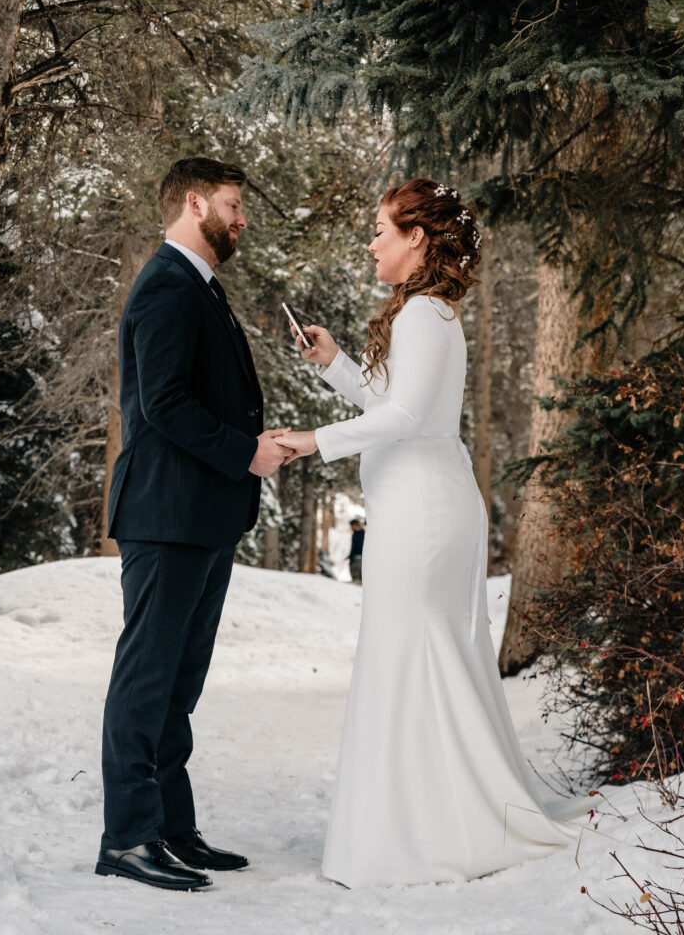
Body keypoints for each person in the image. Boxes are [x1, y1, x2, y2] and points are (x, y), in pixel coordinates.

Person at [274, 178, 592, 889]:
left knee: (412, 655)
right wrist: (334, 364)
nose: (372, 242)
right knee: (420, 657)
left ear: (417, 238)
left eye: (381, 230)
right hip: (428, 503)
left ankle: (420, 832)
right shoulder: (430, 313)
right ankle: (427, 816)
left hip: (421, 514)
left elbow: (405, 418)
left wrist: (309, 440)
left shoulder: (423, 315)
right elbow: (395, 403)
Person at [97, 157, 292, 893]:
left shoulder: (198, 287)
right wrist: (248, 454)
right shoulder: (167, 286)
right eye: (234, 204)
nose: (242, 219)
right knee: (145, 681)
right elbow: (165, 406)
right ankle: (127, 838)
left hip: (202, 518)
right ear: (193, 202)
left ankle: (172, 828)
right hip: (167, 515)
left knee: (178, 685)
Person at [347, 518, 365, 583]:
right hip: (357, 558)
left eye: (352, 526)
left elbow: (356, 547)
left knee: (357, 578)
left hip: (358, 559)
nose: (351, 527)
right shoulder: (361, 533)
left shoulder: (360, 534)